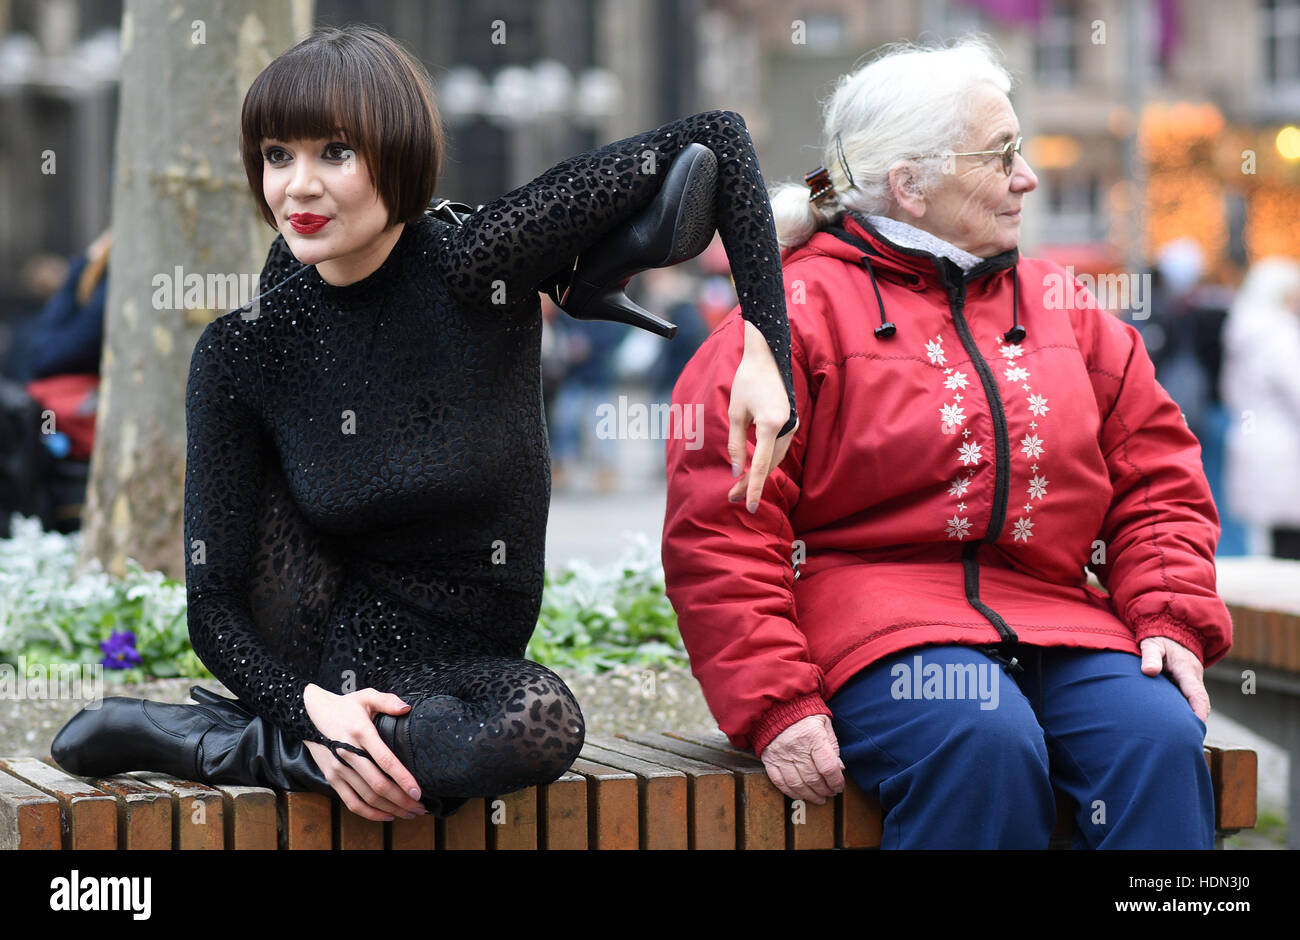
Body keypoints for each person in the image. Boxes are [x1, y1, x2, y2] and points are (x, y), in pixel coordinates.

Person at [50, 23, 797, 822]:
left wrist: (766, 349)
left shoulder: (477, 264)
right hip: (330, 648)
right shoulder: (244, 348)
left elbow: (714, 138)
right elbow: (216, 605)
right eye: (277, 155)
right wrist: (317, 713)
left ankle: (227, 743)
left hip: (470, 656)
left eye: (334, 153)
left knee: (538, 725)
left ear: (397, 154)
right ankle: (270, 741)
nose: (298, 187)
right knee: (497, 736)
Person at [662, 36, 1231, 849]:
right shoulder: (790, 316)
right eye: (1002, 156)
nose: (1027, 177)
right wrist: (776, 702)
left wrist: (1169, 616)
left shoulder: (1064, 307)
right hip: (875, 630)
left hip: (1060, 621)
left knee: (1159, 740)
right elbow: (722, 527)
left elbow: (1158, 477)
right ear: (911, 184)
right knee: (980, 739)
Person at [1220, 257, 1300, 559]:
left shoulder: (1242, 332)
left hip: (1251, 439)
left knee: (1265, 541)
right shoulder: (1281, 336)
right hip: (1285, 448)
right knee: (1288, 544)